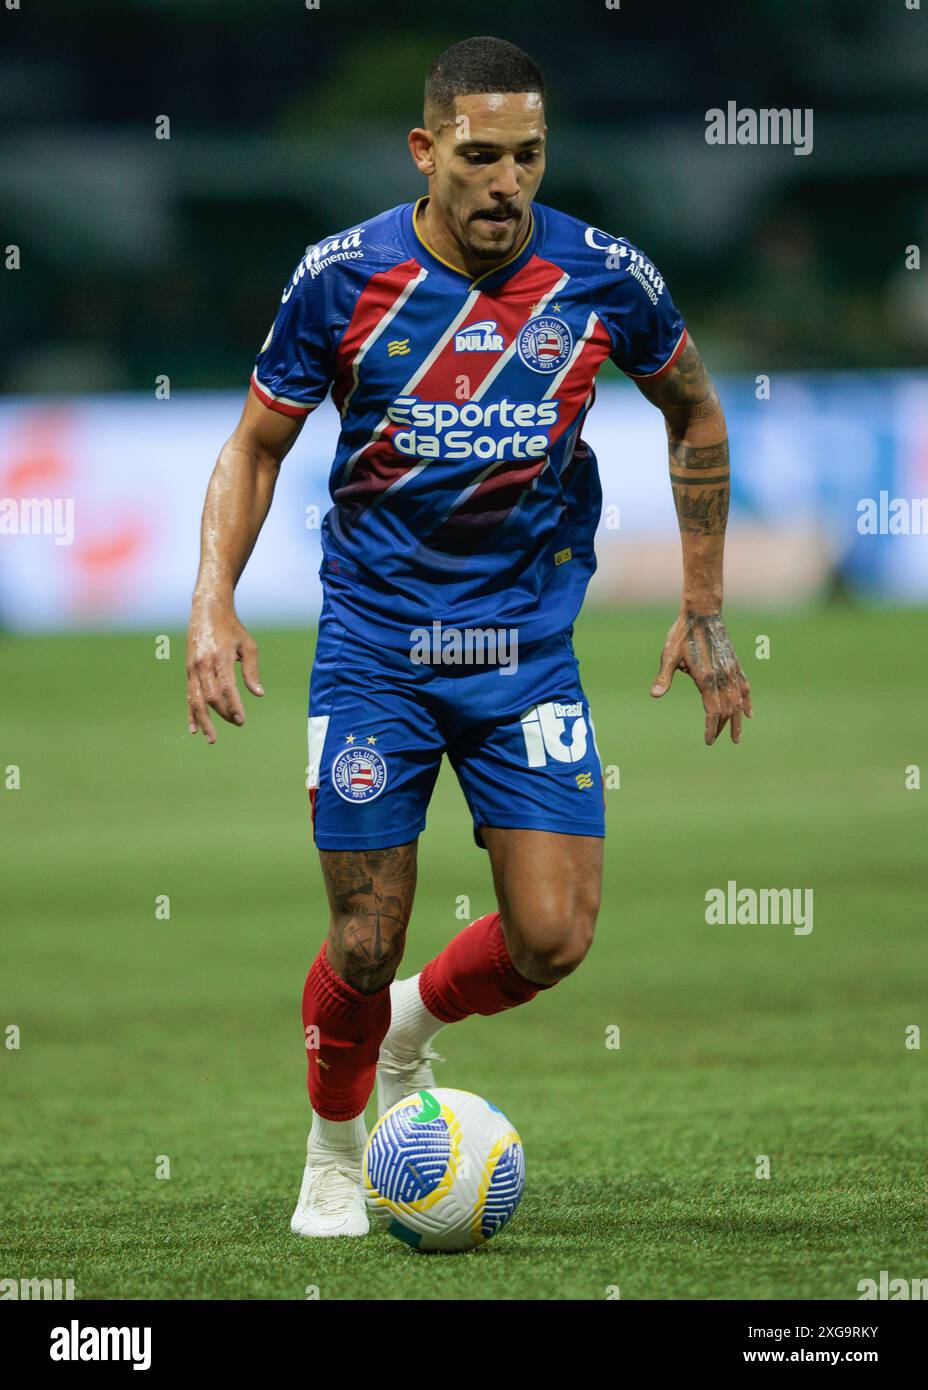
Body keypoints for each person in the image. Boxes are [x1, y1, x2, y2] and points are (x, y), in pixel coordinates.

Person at [185, 35, 752, 1238]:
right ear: (425, 150)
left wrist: (702, 606)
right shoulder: (340, 277)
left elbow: (696, 405)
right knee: (363, 933)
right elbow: (254, 445)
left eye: (528, 156)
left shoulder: (603, 275)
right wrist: (211, 600)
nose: (507, 182)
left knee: (553, 937)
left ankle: (409, 1030)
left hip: (523, 652)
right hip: (377, 653)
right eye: (480, 155)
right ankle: (337, 1149)